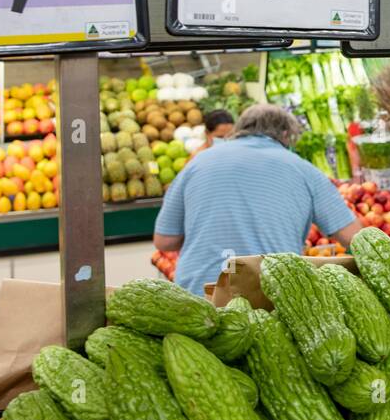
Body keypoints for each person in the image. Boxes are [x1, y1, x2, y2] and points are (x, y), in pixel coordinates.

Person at [153, 104, 361, 295]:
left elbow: (165, 241)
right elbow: (355, 238)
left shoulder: (197, 163)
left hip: (198, 294)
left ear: (239, 129)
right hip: (268, 296)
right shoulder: (304, 170)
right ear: (286, 135)